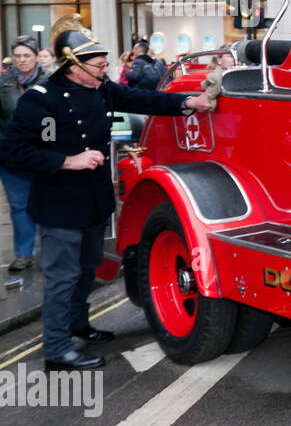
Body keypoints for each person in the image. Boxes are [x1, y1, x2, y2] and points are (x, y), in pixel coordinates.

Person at [0, 25, 214, 369]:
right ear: (74, 65)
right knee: (61, 278)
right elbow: (13, 151)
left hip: (93, 200)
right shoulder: (42, 99)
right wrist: (67, 160)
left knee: (87, 270)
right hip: (59, 205)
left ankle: (78, 324)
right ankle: (56, 350)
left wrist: (189, 102)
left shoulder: (101, 90)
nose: (106, 71)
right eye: (100, 66)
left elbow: (145, 99)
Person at [0, 35, 51, 271]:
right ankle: (24, 253)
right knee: (19, 205)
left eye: (27, 55)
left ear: (36, 56)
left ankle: (51, 250)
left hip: (43, 154)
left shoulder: (50, 80)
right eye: (18, 56)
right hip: (12, 156)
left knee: (48, 202)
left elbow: (55, 117)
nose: (22, 60)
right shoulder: (4, 82)